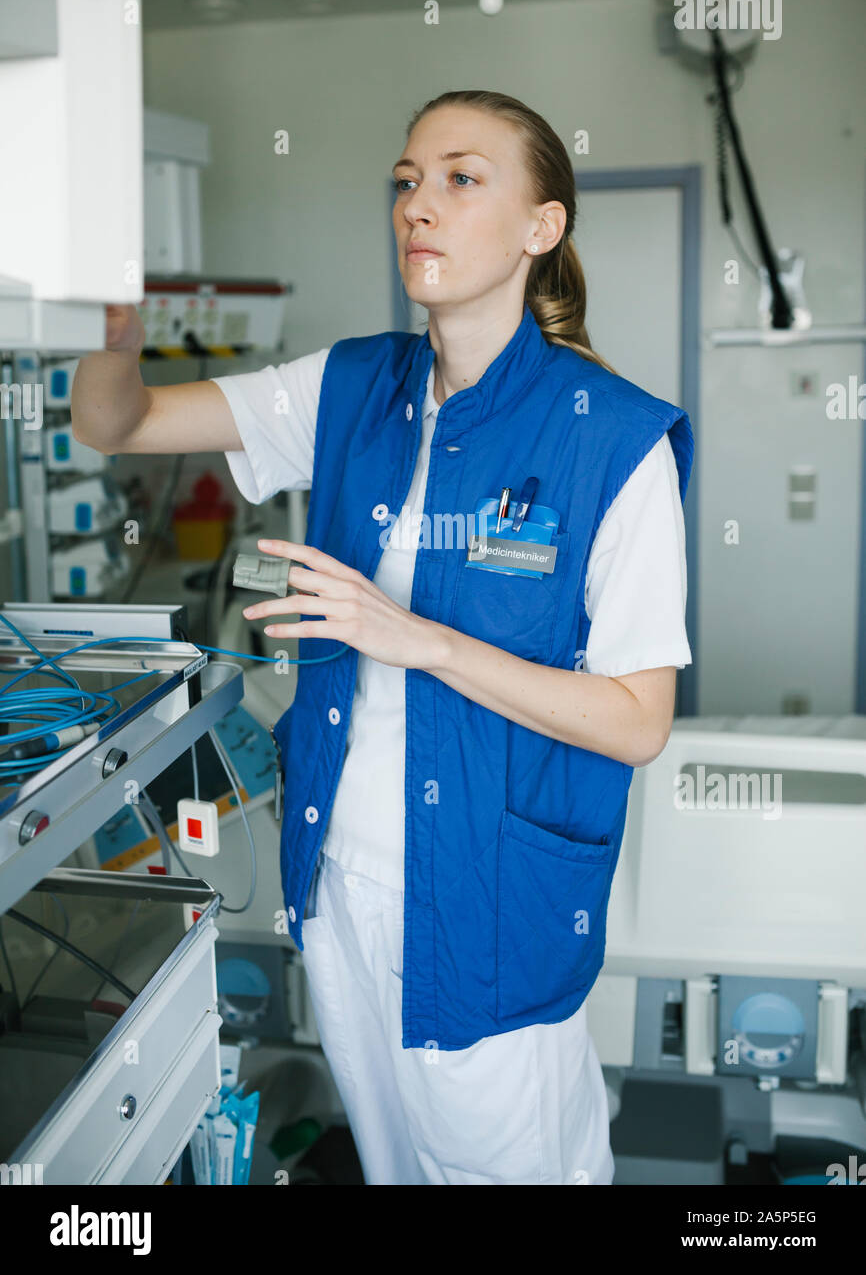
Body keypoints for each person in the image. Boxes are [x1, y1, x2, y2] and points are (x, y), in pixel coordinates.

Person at [71, 89, 693, 1185]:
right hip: (343, 883)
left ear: (540, 228)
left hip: (488, 905)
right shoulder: (350, 386)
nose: (419, 204)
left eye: (460, 178)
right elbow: (118, 425)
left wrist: (421, 638)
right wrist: (107, 338)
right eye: (406, 180)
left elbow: (637, 722)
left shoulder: (614, 441)